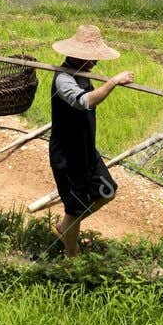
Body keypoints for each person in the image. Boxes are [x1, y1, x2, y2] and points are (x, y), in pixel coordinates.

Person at [48, 25, 133, 257]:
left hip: (85, 150)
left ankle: (66, 227)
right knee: (75, 207)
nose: (95, 62)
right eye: (91, 57)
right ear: (76, 55)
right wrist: (113, 82)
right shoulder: (64, 79)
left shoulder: (83, 74)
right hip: (68, 154)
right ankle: (71, 255)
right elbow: (85, 101)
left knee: (107, 192)